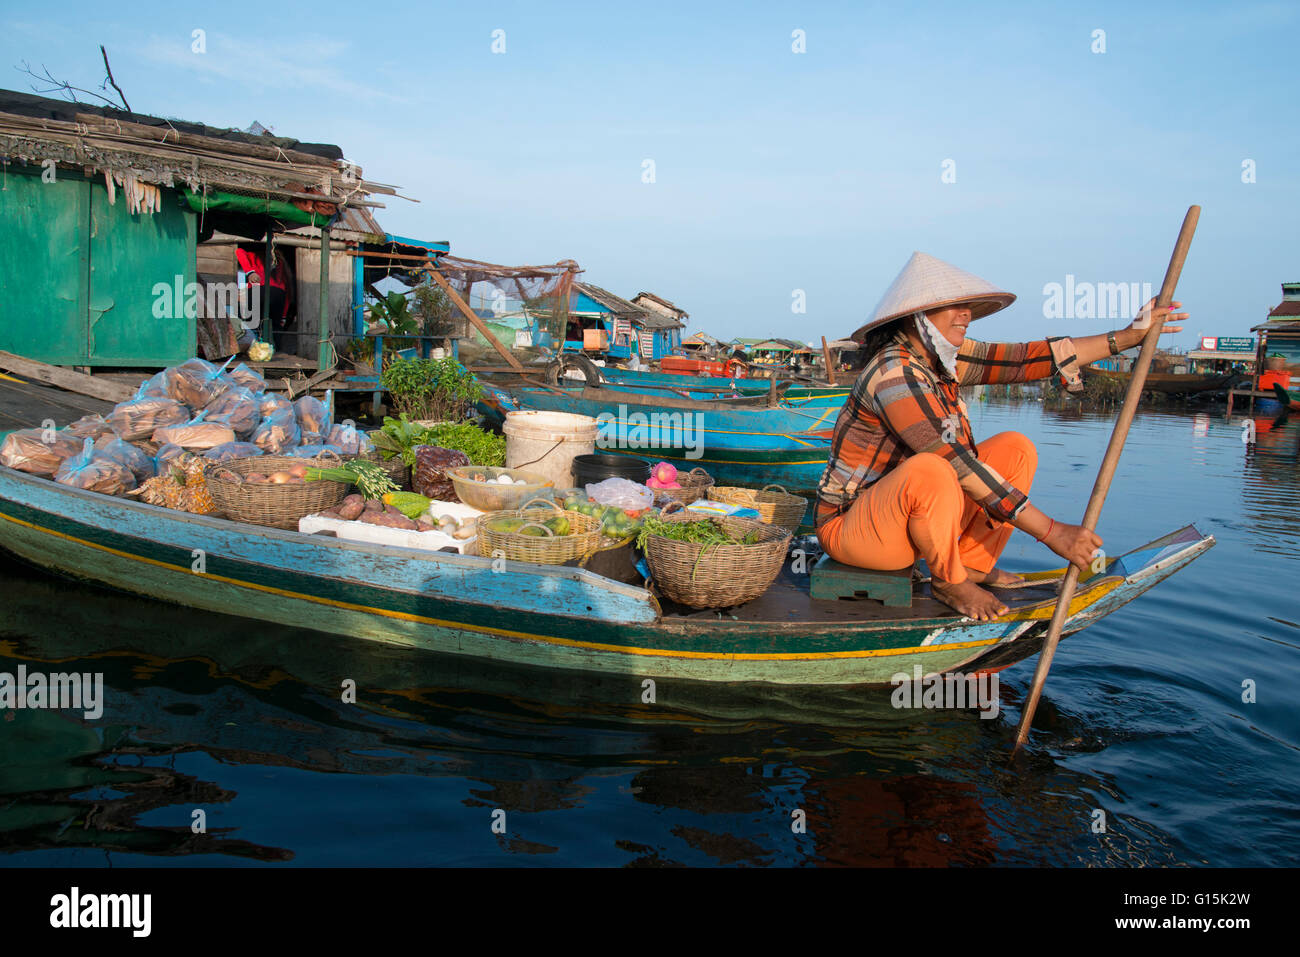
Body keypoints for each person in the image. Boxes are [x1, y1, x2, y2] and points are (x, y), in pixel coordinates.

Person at [816, 252, 1186, 621]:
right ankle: (949, 580)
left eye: (967, 306)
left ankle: (972, 565)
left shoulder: (944, 360)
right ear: (916, 317)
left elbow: (1024, 359)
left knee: (1015, 448)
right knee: (933, 468)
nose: (966, 315)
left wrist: (1126, 337)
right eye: (953, 307)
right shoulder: (893, 373)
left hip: (910, 519)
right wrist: (1053, 533)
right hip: (854, 529)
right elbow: (955, 465)